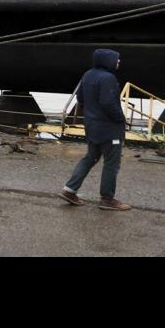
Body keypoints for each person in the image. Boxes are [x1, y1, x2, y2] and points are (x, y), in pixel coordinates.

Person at [60, 48, 132, 210]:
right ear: (108, 61)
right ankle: (107, 199)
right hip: (109, 129)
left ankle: (69, 190)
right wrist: (121, 118)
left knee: (90, 157)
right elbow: (108, 103)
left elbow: (80, 98)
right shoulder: (108, 78)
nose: (119, 62)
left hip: (92, 126)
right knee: (111, 163)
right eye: (117, 59)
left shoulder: (88, 75)